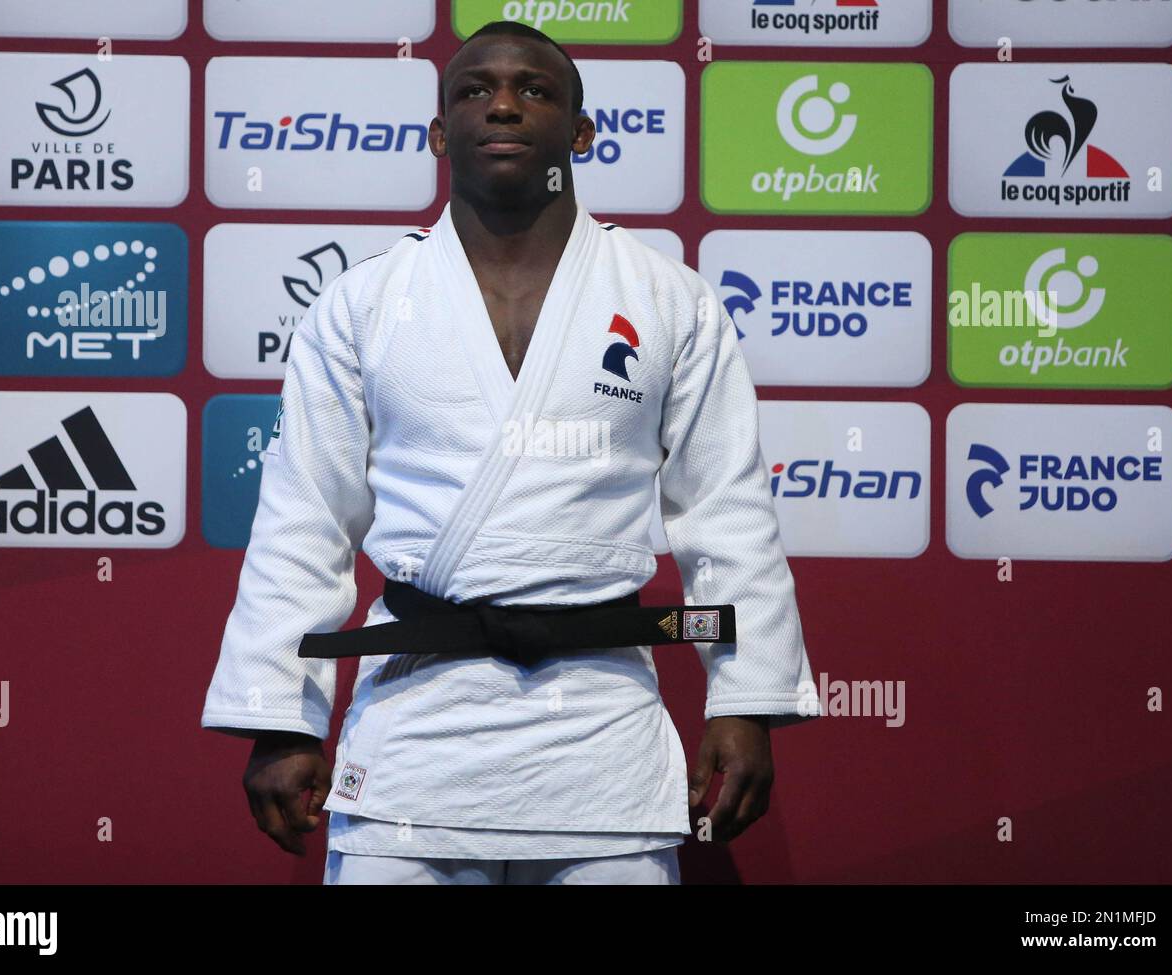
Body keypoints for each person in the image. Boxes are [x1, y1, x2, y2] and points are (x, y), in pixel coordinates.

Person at [201, 20, 821, 885]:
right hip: (417, 730)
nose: (501, 103)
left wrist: (746, 696)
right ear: (436, 133)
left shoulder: (668, 299)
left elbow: (726, 506)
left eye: (534, 89)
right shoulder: (364, 304)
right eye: (472, 90)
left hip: (599, 728)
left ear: (581, 133)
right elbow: (307, 515)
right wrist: (285, 718)